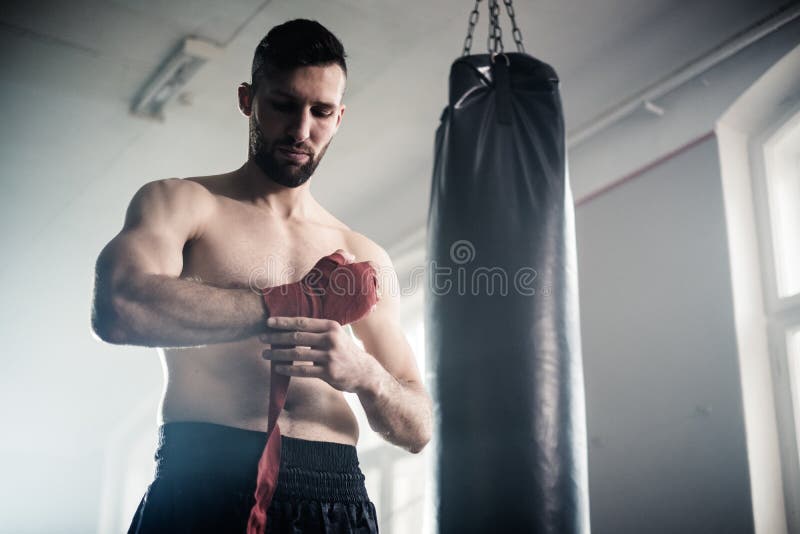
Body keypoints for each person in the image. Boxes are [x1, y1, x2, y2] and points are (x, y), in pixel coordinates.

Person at [91, 18, 432, 534]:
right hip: (204, 477)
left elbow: (419, 429)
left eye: (320, 112)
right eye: (283, 105)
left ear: (339, 117)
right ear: (247, 99)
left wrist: (367, 376)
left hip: (335, 496)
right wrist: (291, 303)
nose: (301, 130)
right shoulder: (184, 203)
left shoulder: (364, 253)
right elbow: (119, 307)